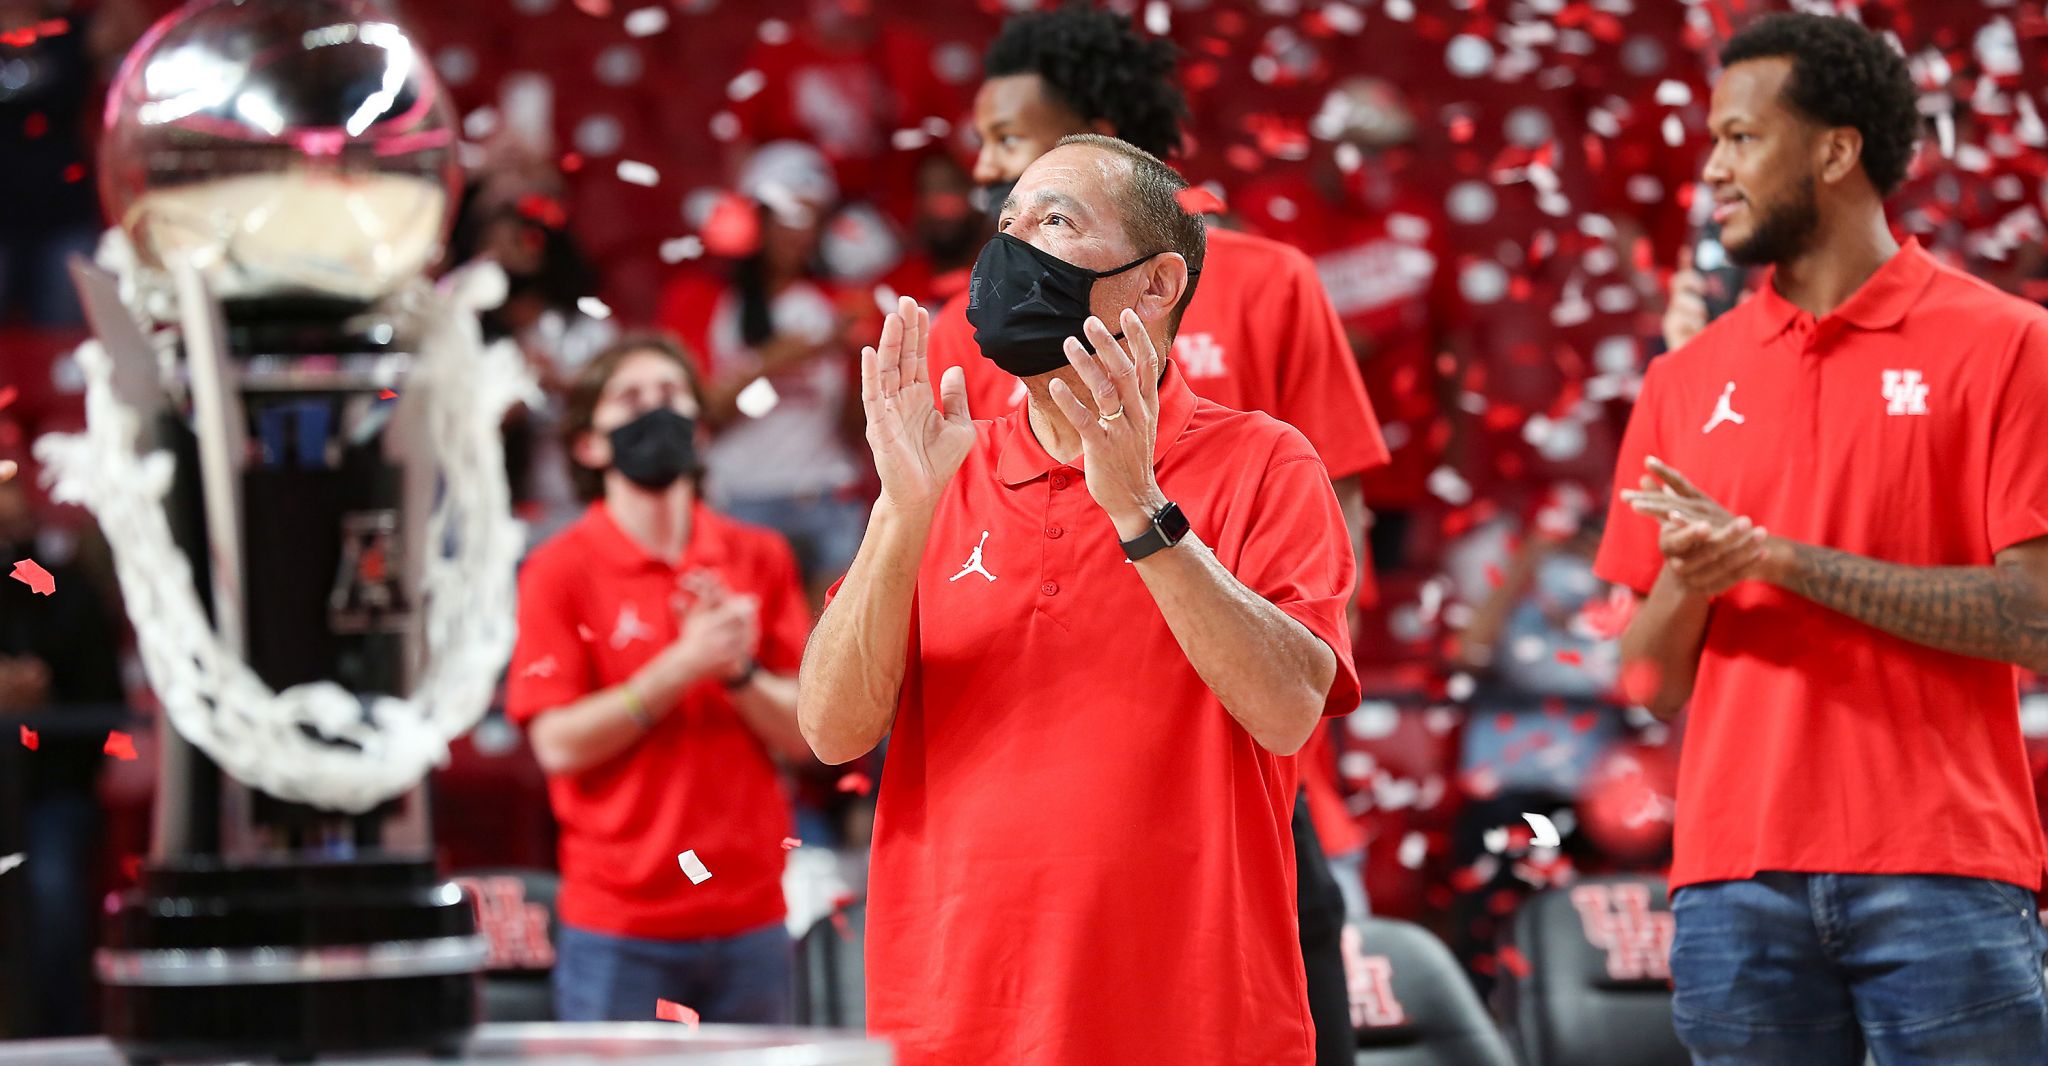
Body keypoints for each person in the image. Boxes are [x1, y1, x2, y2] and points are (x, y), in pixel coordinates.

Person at [798, 135, 1361, 1065]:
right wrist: (901, 515)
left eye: (1055, 221)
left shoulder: (1267, 460)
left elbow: (1289, 709)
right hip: (955, 1028)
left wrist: (1142, 511)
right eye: (1006, 224)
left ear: (1155, 285)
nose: (1010, 251)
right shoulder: (939, 470)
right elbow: (833, 730)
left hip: (1195, 1030)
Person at [920, 12, 1386, 1059]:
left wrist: (1283, 681)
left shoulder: (1268, 279)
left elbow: (1334, 517)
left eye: (1009, 138)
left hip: (1229, 748)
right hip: (1044, 769)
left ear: (1088, 130)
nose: (986, 166)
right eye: (992, 158)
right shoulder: (974, 317)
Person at [1599, 14, 2048, 1063]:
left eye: (1740, 138)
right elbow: (1644, 680)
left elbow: (2034, 619)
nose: (1712, 168)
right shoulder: (1682, 377)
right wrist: (1693, 580)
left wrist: (1775, 559)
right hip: (1729, 881)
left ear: (1835, 151)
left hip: (1942, 869)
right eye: (1711, 140)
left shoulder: (2008, 346)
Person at [504, 333, 814, 1024]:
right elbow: (557, 743)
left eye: (671, 396)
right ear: (588, 444)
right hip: (619, 926)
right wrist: (684, 662)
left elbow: (808, 737)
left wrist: (735, 672)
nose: (656, 411)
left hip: (751, 916)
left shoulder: (758, 556)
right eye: (631, 399)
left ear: (700, 433)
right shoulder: (557, 570)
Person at [657, 142, 871, 607]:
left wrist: (862, 364)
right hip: (739, 497)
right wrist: (777, 359)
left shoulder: (843, 302)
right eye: (786, 215)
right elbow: (704, 411)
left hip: (826, 496)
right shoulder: (704, 300)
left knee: (829, 654)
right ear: (755, 218)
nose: (799, 231)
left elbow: (858, 429)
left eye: (811, 216)